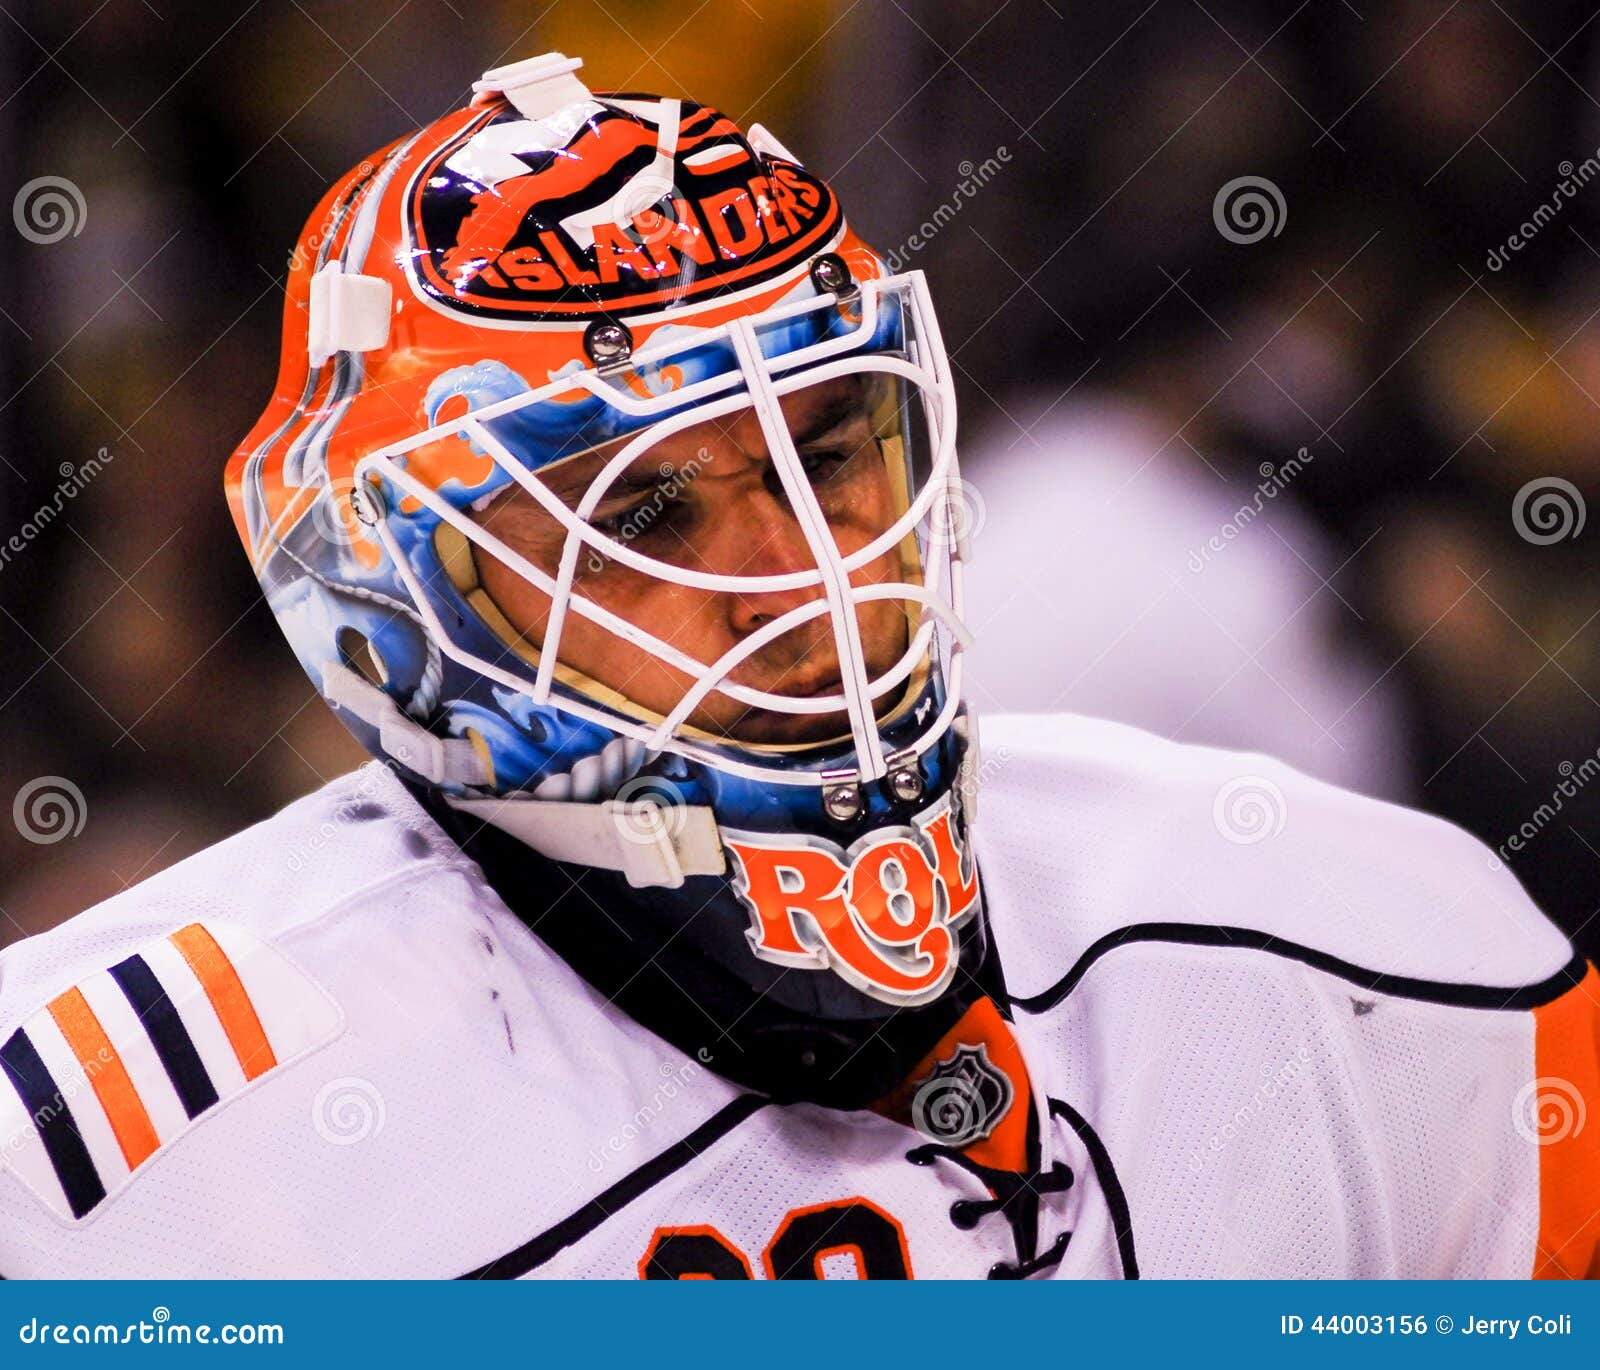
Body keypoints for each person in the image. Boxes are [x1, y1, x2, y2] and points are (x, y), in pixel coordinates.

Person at [0, 53, 1593, 1280]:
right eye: (640, 510)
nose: (798, 582)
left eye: (825, 453)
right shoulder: (120, 1148)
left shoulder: (1343, 953)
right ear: (398, 607)